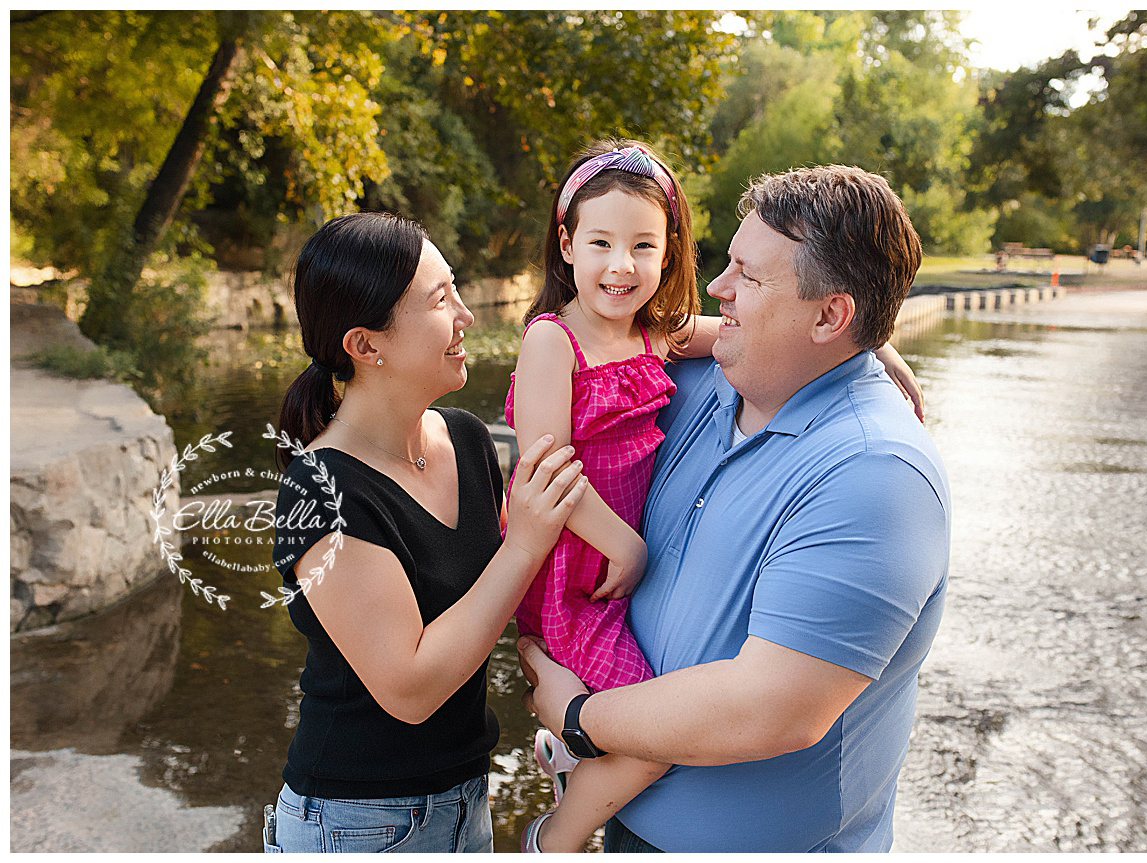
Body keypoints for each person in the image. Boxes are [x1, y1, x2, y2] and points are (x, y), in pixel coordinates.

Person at [507, 144, 930, 852]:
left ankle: (553, 833)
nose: (720, 290)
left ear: (830, 316)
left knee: (622, 745)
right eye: (725, 262)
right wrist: (872, 342)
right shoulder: (693, 369)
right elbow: (548, 458)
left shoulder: (874, 471)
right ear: (567, 243)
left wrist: (579, 714)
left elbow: (771, 711)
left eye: (748, 276)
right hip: (589, 613)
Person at [265, 212, 588, 853]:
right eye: (441, 299)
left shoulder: (466, 439)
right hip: (355, 819)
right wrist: (523, 544)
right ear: (365, 345)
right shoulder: (321, 494)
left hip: (467, 793)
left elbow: (493, 606)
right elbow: (409, 689)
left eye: (456, 288)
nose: (466, 315)